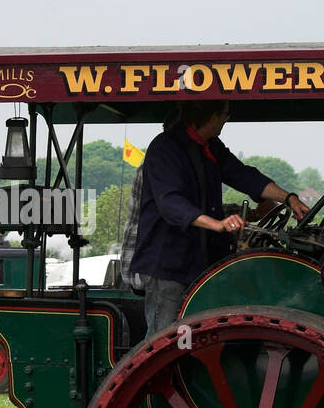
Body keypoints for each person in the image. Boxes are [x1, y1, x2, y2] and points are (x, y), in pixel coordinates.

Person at [131, 100, 311, 335]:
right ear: (213, 117)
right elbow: (171, 203)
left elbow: (243, 175)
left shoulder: (210, 146)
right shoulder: (165, 147)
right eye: (226, 115)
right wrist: (217, 224)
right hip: (169, 264)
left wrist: (289, 199)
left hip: (201, 262)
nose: (227, 119)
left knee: (197, 336)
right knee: (163, 339)